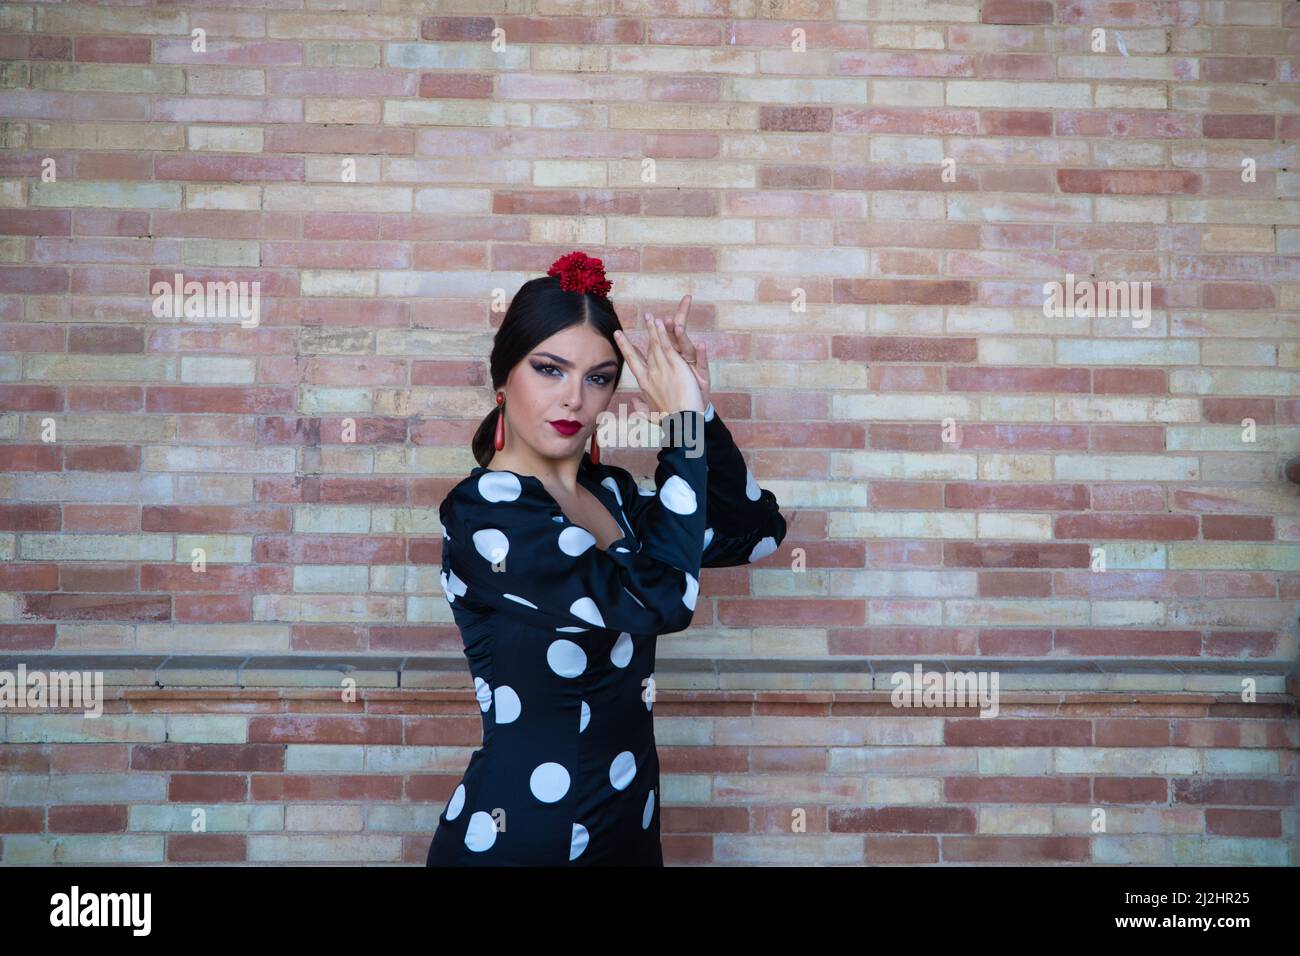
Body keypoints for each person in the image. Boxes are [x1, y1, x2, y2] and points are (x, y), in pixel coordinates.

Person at [426, 251, 789, 866]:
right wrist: (677, 433)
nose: (573, 398)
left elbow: (755, 529)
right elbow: (662, 598)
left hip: (627, 827)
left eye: (598, 377)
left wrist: (695, 412)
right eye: (549, 369)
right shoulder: (486, 514)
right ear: (502, 381)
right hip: (522, 837)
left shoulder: (613, 496)